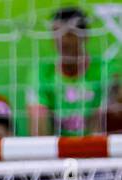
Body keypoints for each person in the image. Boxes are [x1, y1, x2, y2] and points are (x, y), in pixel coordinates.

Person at [26, 7, 111, 137]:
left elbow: (101, 124)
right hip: (57, 150)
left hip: (96, 149)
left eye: (70, 33)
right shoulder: (41, 73)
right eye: (57, 33)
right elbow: (38, 130)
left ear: (85, 36)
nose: (63, 41)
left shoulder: (106, 70)